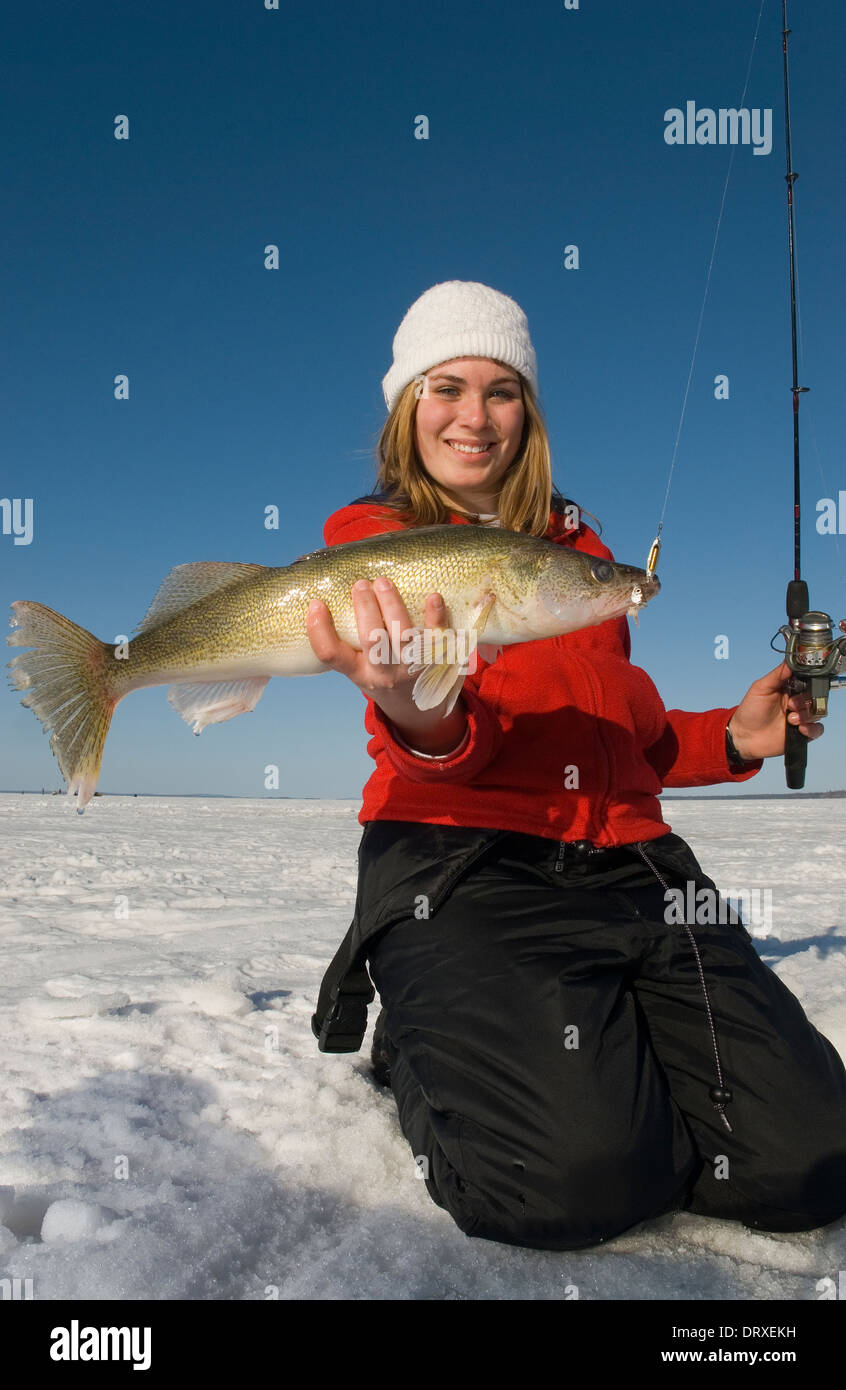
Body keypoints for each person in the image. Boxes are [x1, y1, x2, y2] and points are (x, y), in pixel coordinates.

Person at [308, 280, 846, 1251]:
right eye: (445, 386)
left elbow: (608, 737)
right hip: (462, 866)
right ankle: (421, 1045)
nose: (475, 415)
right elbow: (452, 742)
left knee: (811, 1158)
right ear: (405, 409)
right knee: (571, 1187)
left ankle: (607, 1065)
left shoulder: (575, 560)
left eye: (503, 389)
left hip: (633, 865)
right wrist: (411, 706)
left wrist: (734, 735)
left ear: (531, 412)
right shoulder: (379, 551)